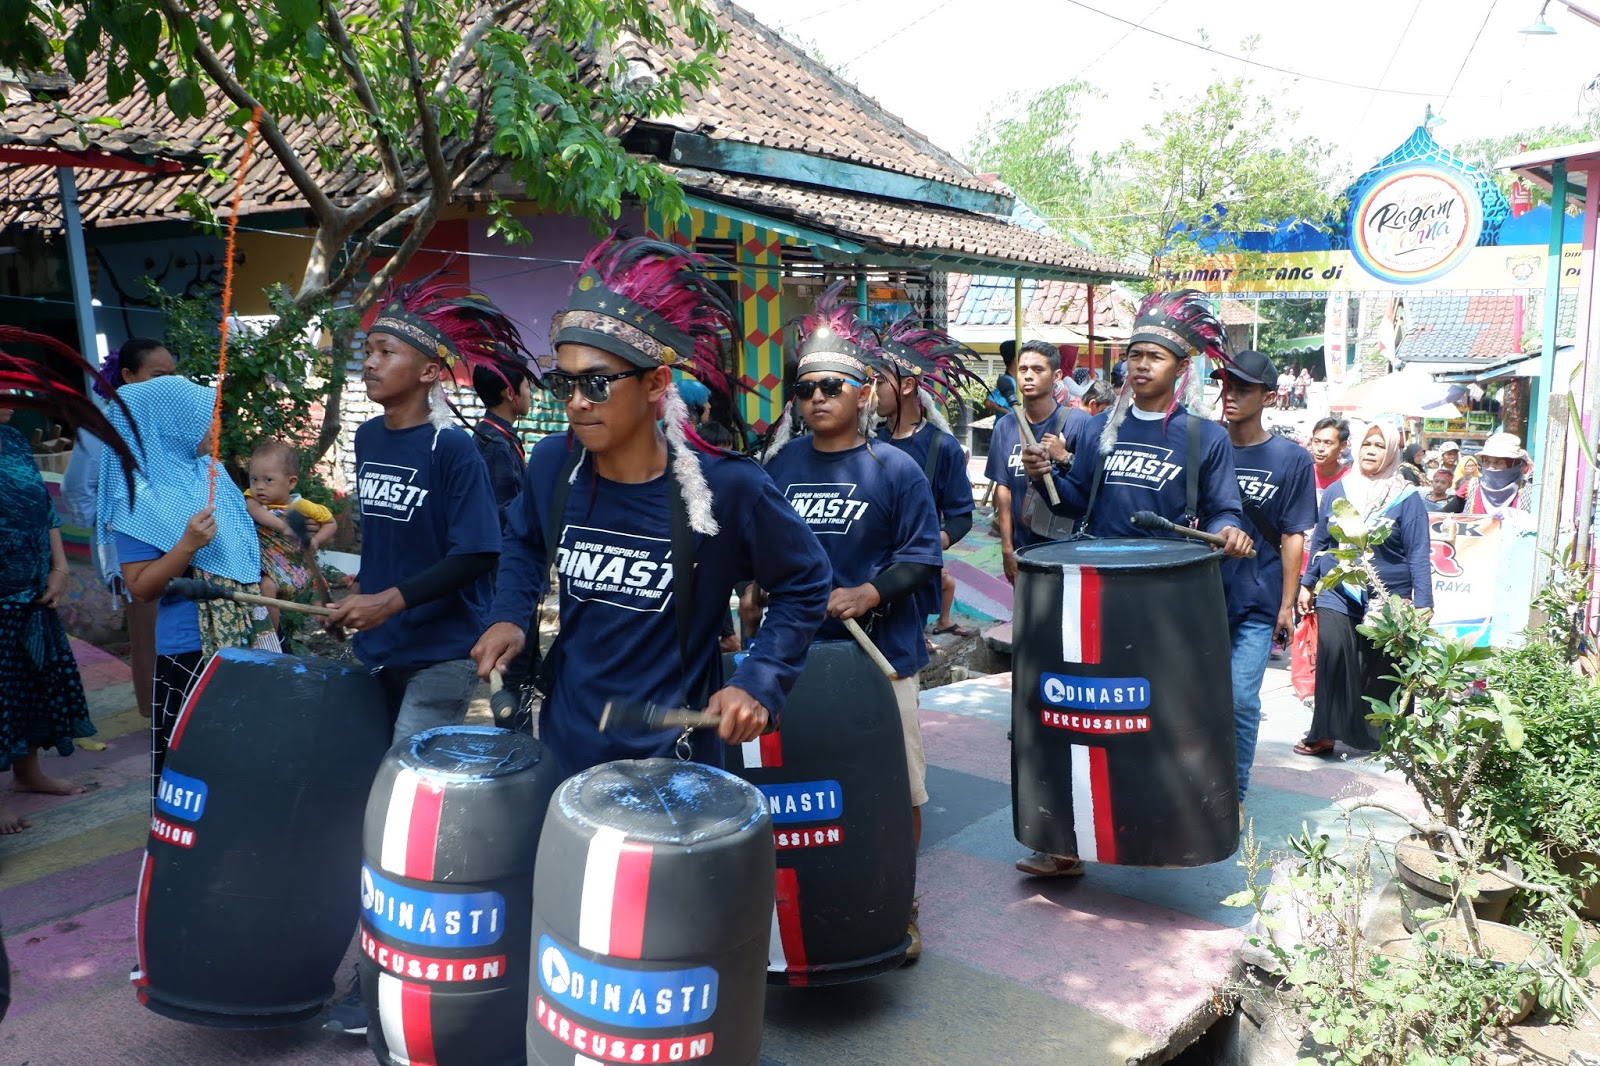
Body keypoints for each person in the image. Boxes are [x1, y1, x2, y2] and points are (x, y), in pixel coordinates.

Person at [471, 236, 829, 778]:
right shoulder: (553, 464)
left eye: (596, 382)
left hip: (674, 764)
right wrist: (509, 616)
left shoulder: (726, 489)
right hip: (567, 745)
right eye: (563, 382)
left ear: (656, 383)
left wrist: (760, 678)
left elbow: (805, 583)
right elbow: (524, 540)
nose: (575, 402)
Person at [323, 272, 525, 1036]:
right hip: (378, 650)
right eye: (367, 350)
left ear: (432, 369)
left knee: (402, 819)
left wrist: (388, 602)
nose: (369, 363)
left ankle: (380, 982)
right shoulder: (369, 437)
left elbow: (478, 551)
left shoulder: (455, 450)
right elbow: (384, 542)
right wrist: (352, 594)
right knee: (368, 810)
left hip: (442, 655)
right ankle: (382, 964)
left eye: (385, 351)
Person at [1018, 290, 1250, 878]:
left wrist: (1230, 532)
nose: (1141, 365)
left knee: (1159, 721)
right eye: (1135, 354)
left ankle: (1168, 834)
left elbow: (1225, 510)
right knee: (1082, 714)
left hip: (1167, 599)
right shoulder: (1097, 429)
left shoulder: (1205, 438)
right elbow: (1076, 506)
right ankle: (1065, 844)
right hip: (1096, 593)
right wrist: (1049, 477)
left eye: (1156, 357)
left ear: (1181, 368)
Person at [762, 285, 942, 959]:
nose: (817, 398)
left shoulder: (896, 471)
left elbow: (923, 557)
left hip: (879, 659)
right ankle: (812, 899)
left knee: (900, 787)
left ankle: (902, 898)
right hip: (796, 662)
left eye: (832, 386)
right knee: (806, 785)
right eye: (805, 388)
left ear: (865, 393)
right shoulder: (778, 467)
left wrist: (867, 593)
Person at [100, 376, 281, 797]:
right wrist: (187, 545)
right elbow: (141, 587)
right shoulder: (140, 495)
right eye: (204, 418)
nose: (214, 428)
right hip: (189, 651)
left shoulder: (210, 472)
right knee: (197, 770)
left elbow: (243, 552)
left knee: (251, 757)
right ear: (168, 423)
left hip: (248, 636)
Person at [0, 329, 139, 832]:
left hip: (36, 588)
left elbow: (44, 511)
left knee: (37, 684)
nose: (13, 403)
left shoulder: (13, 440)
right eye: (4, 395)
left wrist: (59, 569)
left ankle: (28, 772)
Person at [1213, 351, 1315, 804]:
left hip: (1257, 597)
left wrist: (1287, 603)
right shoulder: (1206, 446)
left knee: (1238, 700)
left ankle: (1233, 791)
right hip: (1199, 596)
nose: (1230, 395)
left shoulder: (1291, 458)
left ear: (1268, 397)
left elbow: (1294, 535)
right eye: (1226, 385)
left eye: (1243, 389)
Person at [1295, 422, 1433, 755]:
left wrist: (1423, 601)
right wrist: (1308, 583)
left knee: (1380, 667)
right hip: (1336, 590)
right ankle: (1324, 732)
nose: (1371, 451)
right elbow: (1322, 541)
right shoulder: (1338, 491)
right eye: (1367, 444)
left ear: (1392, 453)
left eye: (1379, 446)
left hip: (1387, 596)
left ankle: (1381, 737)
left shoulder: (1406, 497)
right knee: (1334, 658)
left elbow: (1417, 551)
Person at [61, 337, 176, 723]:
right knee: (148, 629)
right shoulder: (101, 426)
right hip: (132, 546)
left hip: (176, 540)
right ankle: (156, 716)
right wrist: (114, 523)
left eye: (172, 376)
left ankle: (173, 712)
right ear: (127, 376)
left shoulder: (165, 421)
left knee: (173, 626)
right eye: (158, 375)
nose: (167, 384)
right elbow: (76, 487)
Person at [872, 315, 983, 641]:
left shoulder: (941, 446)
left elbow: (961, 517)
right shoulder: (867, 440)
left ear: (907, 385)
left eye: (879, 381)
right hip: (864, 576)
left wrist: (930, 545)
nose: (872, 390)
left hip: (911, 579)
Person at [984, 339, 1088, 584]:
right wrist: (1007, 548)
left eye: (1038, 369)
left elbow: (1088, 488)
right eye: (1023, 370)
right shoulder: (1007, 426)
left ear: (1057, 375)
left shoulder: (1079, 423)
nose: (1028, 376)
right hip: (1023, 549)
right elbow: (1004, 489)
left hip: (1068, 549)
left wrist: (1063, 457)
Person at [244, 441, 337, 623]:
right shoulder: (252, 499)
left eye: (268, 480)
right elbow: (255, 511)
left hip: (293, 564)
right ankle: (272, 634)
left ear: (291, 482)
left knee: (316, 588)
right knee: (267, 587)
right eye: (254, 479)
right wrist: (284, 527)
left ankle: (276, 637)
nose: (259, 486)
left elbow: (330, 523)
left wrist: (316, 541)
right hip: (264, 565)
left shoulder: (301, 506)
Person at [1462, 432, 1530, 516]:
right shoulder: (1472, 486)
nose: (1490, 467)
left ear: (1514, 465)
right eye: (1486, 461)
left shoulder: (1528, 492)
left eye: (1498, 462)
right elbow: (1445, 513)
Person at [1307, 416, 1349, 503]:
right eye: (1317, 441)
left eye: (1328, 443)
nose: (1320, 448)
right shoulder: (1304, 474)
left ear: (1342, 445)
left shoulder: (1349, 478)